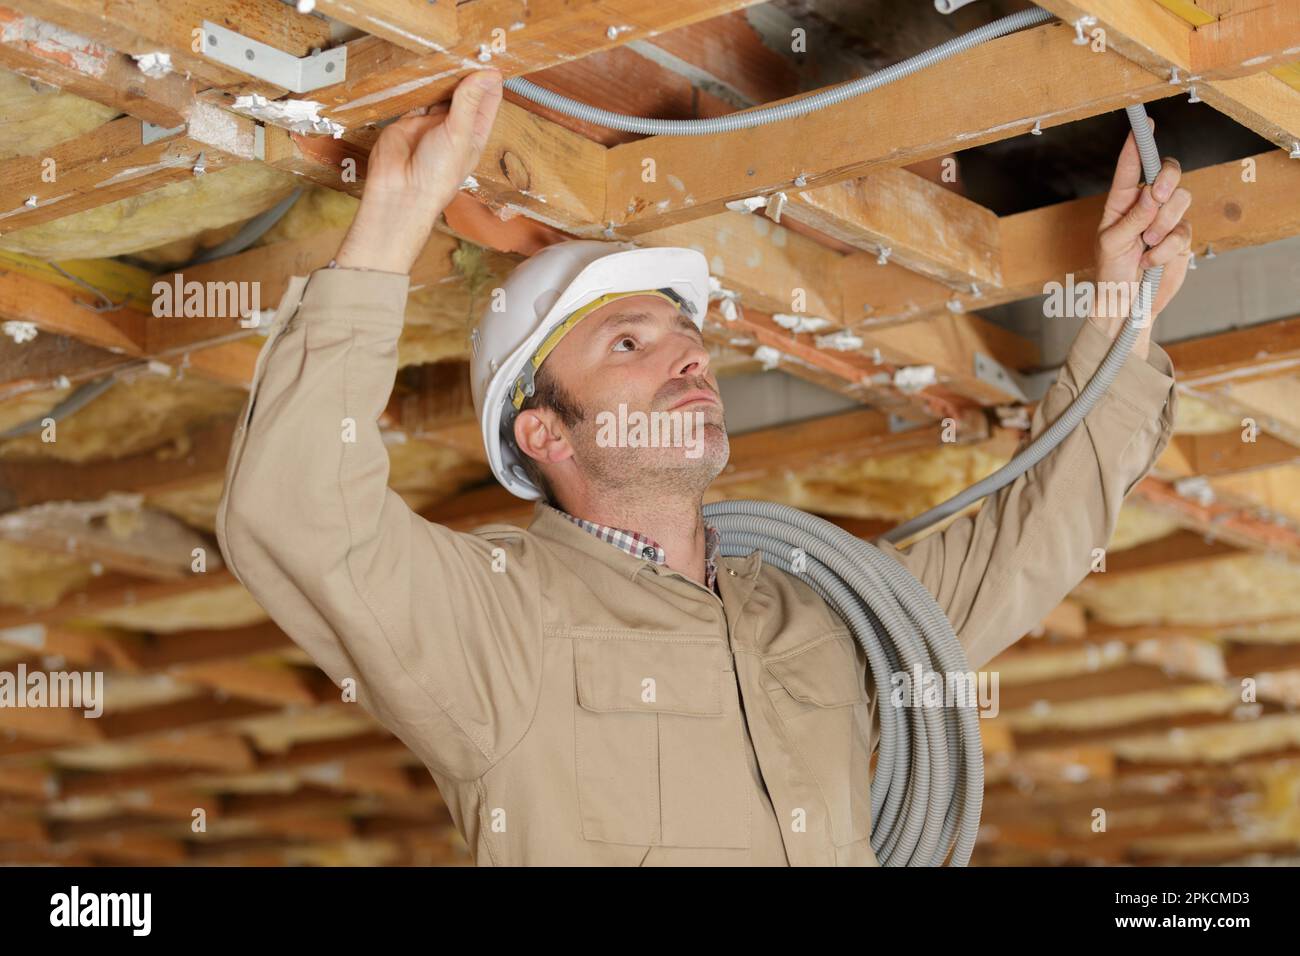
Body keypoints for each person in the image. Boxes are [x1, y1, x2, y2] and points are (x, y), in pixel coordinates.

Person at [216, 68, 1192, 865]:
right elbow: (298, 513)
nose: (689, 355)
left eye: (685, 336)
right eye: (630, 345)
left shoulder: (821, 617)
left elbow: (1028, 546)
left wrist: (1120, 319)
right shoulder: (502, 629)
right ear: (544, 433)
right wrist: (394, 216)